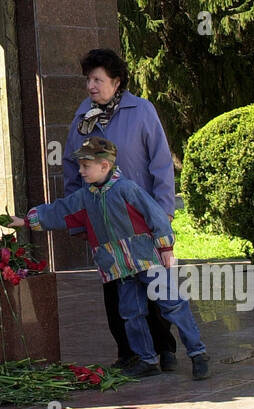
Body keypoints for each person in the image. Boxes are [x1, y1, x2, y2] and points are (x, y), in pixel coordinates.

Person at [12, 138, 210, 380]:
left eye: (86, 166)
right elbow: (60, 210)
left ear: (105, 166)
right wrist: (27, 221)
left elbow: (155, 215)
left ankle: (198, 353)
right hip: (118, 267)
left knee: (172, 304)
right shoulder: (86, 196)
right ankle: (146, 359)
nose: (81, 171)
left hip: (147, 261)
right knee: (130, 312)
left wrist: (166, 247)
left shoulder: (127, 189)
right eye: (80, 166)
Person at [63, 48, 178, 370]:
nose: (91, 86)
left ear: (116, 82)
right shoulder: (82, 116)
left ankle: (165, 350)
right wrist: (77, 220)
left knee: (151, 286)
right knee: (115, 289)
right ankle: (128, 353)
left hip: (141, 218)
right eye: (88, 79)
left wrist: (164, 212)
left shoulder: (141, 110)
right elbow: (72, 170)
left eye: (98, 80)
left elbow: (160, 162)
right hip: (103, 221)